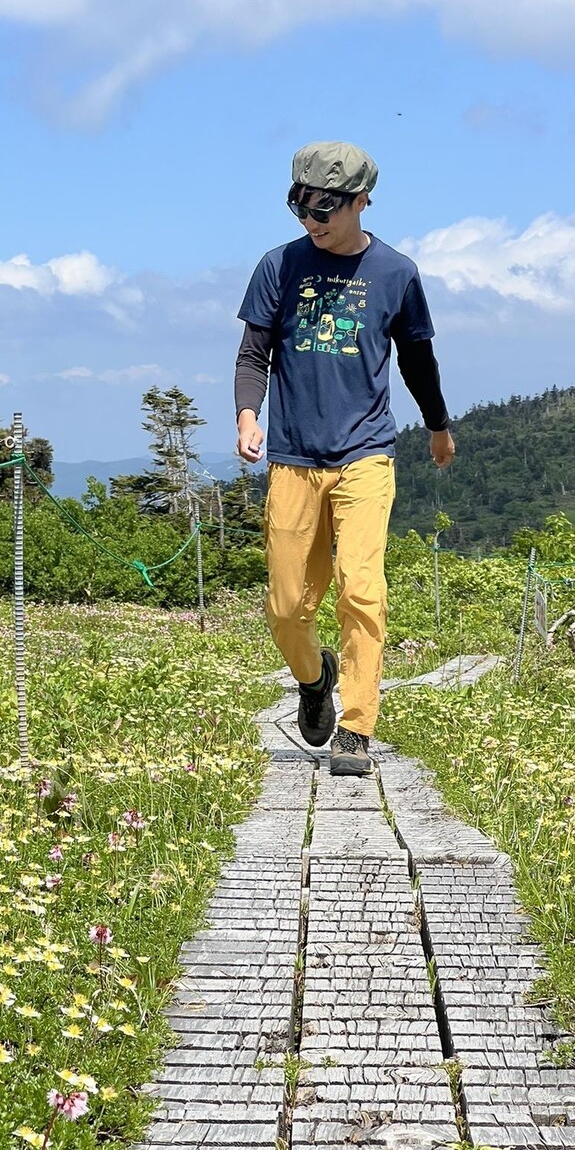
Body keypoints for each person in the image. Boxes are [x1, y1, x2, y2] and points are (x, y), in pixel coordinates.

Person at [235, 140, 454, 776]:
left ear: (362, 201)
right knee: (285, 608)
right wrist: (249, 414)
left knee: (361, 588)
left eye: (325, 207)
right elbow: (254, 356)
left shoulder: (396, 272)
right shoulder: (278, 266)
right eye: (299, 205)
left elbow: (417, 359)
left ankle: (356, 726)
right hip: (293, 457)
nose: (310, 220)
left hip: (365, 454)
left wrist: (438, 427)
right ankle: (314, 678)